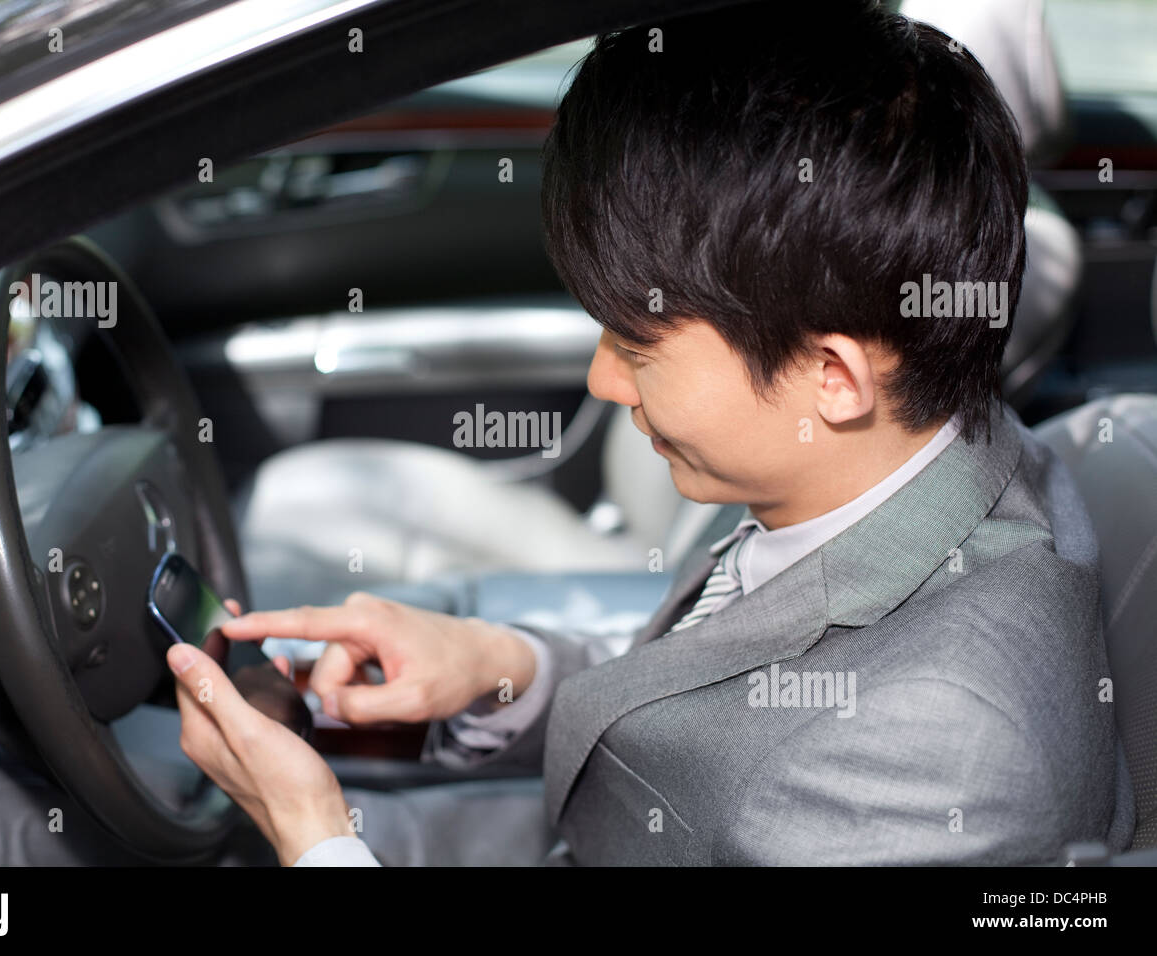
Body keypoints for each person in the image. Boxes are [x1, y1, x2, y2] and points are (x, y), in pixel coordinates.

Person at [167, 0, 1132, 866]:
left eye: (637, 340)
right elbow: (715, 682)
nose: (600, 375)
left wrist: (316, 842)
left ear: (831, 377)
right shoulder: (898, 457)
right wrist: (503, 672)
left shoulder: (931, 769)